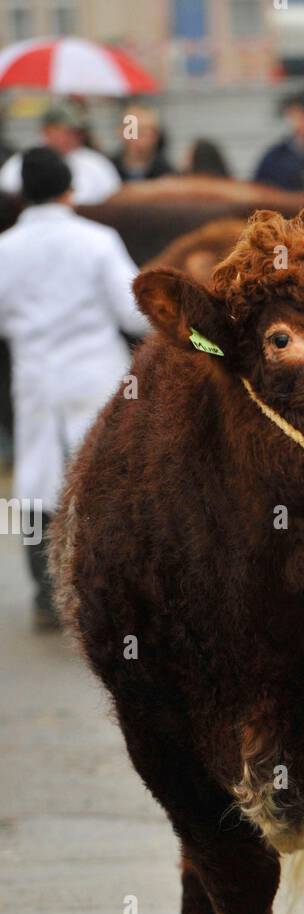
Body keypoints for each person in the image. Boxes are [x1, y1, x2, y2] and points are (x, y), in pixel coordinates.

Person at [0, 148, 149, 626]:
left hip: (36, 379)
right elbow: (132, 311)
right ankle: (104, 594)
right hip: (95, 376)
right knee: (102, 479)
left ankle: (46, 595)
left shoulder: (5, 248)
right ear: (70, 189)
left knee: (35, 482)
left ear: (23, 194)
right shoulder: (97, 240)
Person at [0, 103, 121, 205]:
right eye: (67, 131)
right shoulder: (19, 164)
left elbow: (115, 200)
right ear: (47, 131)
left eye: (78, 132)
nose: (74, 137)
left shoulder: (96, 163)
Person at [111, 104, 174, 181]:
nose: (138, 137)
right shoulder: (106, 168)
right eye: (132, 131)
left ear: (156, 135)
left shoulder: (167, 172)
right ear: (120, 131)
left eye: (145, 132)